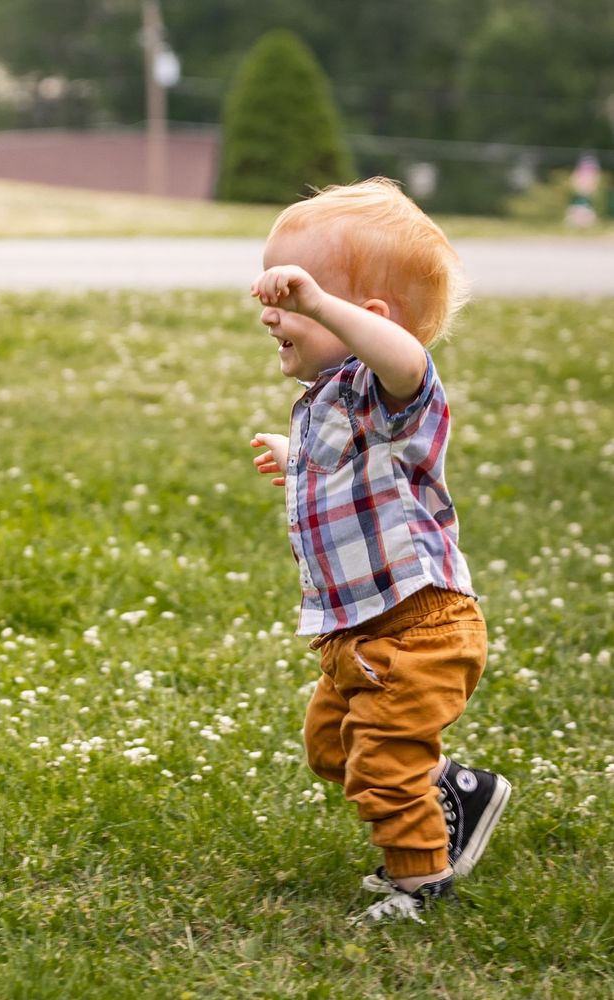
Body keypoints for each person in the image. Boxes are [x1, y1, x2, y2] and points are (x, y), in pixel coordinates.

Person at [246, 178, 510, 925]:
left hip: (418, 628)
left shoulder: (397, 383)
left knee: (385, 764)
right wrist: (292, 452)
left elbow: (405, 357)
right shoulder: (330, 396)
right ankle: (455, 790)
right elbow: (345, 457)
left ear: (367, 319)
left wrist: (322, 307)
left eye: (292, 296)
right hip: (357, 632)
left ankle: (419, 883)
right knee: (333, 750)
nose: (274, 310)